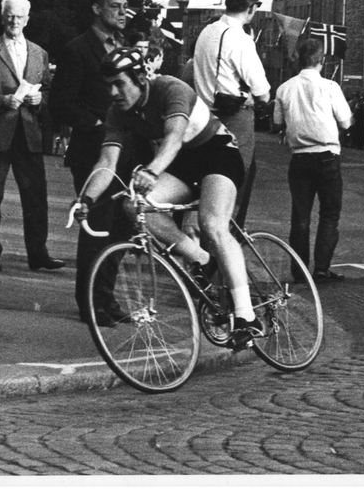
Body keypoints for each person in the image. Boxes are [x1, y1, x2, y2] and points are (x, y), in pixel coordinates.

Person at [74, 48, 263, 344]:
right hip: (181, 165)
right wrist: (85, 199)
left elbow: (174, 138)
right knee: (135, 205)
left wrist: (150, 172)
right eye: (108, 84)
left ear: (140, 79)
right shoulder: (118, 112)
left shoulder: (170, 88)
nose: (113, 92)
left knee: (212, 224)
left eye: (120, 83)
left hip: (218, 154)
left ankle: (246, 316)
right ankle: (201, 259)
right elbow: (107, 162)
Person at [50, 0, 139, 324]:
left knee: (121, 230)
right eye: (115, 6)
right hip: (92, 154)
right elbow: (61, 104)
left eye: (125, 6)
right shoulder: (77, 49)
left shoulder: (126, 48)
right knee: (97, 229)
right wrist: (98, 123)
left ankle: (106, 297)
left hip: (125, 155)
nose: (122, 12)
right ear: (97, 9)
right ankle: (90, 303)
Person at [0, 0, 64, 273]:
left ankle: (38, 254)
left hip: (28, 134)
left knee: (35, 197)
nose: (15, 21)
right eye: (10, 16)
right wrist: (1, 101)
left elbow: (48, 90)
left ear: (28, 19)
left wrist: (40, 102)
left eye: (20, 16)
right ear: (2, 17)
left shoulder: (39, 53)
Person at [191, 0, 271, 230]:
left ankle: (197, 254)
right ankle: (224, 251)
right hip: (234, 118)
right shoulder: (240, 39)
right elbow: (263, 92)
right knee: (235, 183)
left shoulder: (207, 32)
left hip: (203, 118)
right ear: (252, 8)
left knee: (205, 185)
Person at [273, 37, 353, 284]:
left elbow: (277, 122)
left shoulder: (284, 88)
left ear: (299, 59)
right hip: (327, 154)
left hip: (299, 156)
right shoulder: (330, 87)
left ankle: (299, 270)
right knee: (329, 213)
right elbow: (346, 121)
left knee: (300, 216)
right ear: (322, 61)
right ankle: (321, 268)